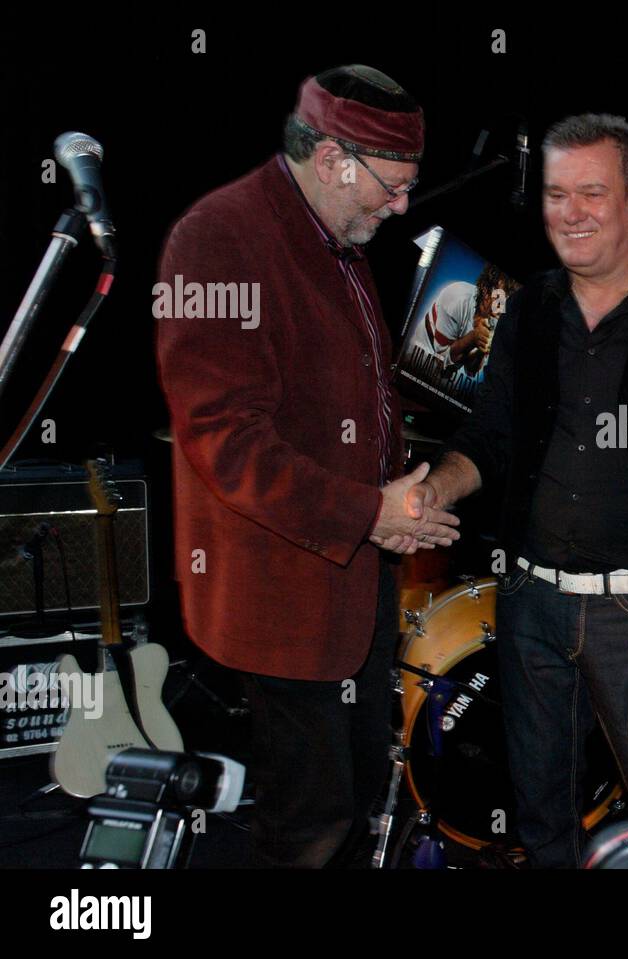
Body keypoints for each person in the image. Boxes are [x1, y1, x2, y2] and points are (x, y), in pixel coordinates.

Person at [406, 114, 628, 867]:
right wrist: (437, 487)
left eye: (592, 193)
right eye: (556, 193)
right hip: (532, 600)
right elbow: (491, 438)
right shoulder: (528, 308)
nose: (569, 212)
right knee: (543, 822)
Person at [155, 65, 460, 868]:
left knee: (356, 795)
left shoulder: (334, 232)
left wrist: (401, 479)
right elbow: (225, 441)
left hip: (350, 582)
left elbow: (341, 395)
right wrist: (372, 511)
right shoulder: (215, 237)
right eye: (390, 187)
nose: (400, 208)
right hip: (283, 598)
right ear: (330, 160)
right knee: (310, 826)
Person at [427, 264, 522, 376]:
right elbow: (439, 362)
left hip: (444, 379)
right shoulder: (456, 298)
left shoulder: (498, 319)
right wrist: (473, 338)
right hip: (420, 352)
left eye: (507, 302)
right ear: (484, 288)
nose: (500, 309)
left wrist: (482, 350)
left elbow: (471, 371)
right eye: (498, 297)